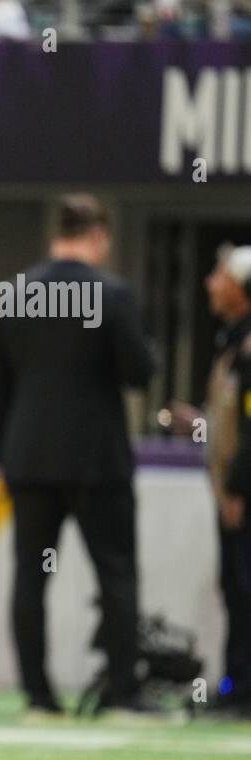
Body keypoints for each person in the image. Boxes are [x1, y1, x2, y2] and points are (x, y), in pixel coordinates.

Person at [0, 195, 154, 715]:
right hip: (96, 460)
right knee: (116, 573)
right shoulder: (111, 294)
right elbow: (140, 373)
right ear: (99, 236)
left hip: (29, 459)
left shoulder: (15, 293)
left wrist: (7, 459)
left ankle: (37, 696)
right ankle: (123, 694)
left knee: (30, 577)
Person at [175, 245, 251, 715]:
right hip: (234, 492)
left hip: (244, 494)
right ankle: (236, 685)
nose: (209, 282)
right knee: (235, 589)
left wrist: (240, 488)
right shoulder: (234, 341)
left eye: (220, 274)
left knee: (244, 589)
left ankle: (242, 690)